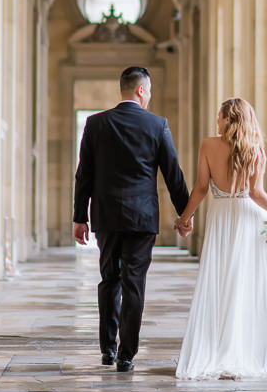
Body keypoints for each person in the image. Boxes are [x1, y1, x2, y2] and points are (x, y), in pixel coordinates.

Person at [175, 97, 267, 379]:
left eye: (220, 117)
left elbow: (202, 187)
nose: (217, 121)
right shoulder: (255, 150)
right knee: (245, 285)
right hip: (246, 219)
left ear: (230, 119)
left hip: (221, 219)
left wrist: (185, 218)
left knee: (220, 281)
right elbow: (256, 193)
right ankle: (246, 348)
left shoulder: (207, 145)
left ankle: (217, 349)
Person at [73, 66, 190, 373]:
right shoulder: (157, 125)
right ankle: (126, 355)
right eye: (148, 91)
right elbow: (173, 174)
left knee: (109, 279)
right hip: (142, 218)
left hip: (106, 217)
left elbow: (84, 174)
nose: (149, 96)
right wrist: (185, 212)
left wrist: (79, 217)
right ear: (141, 90)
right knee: (134, 283)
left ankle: (107, 350)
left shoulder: (96, 124)